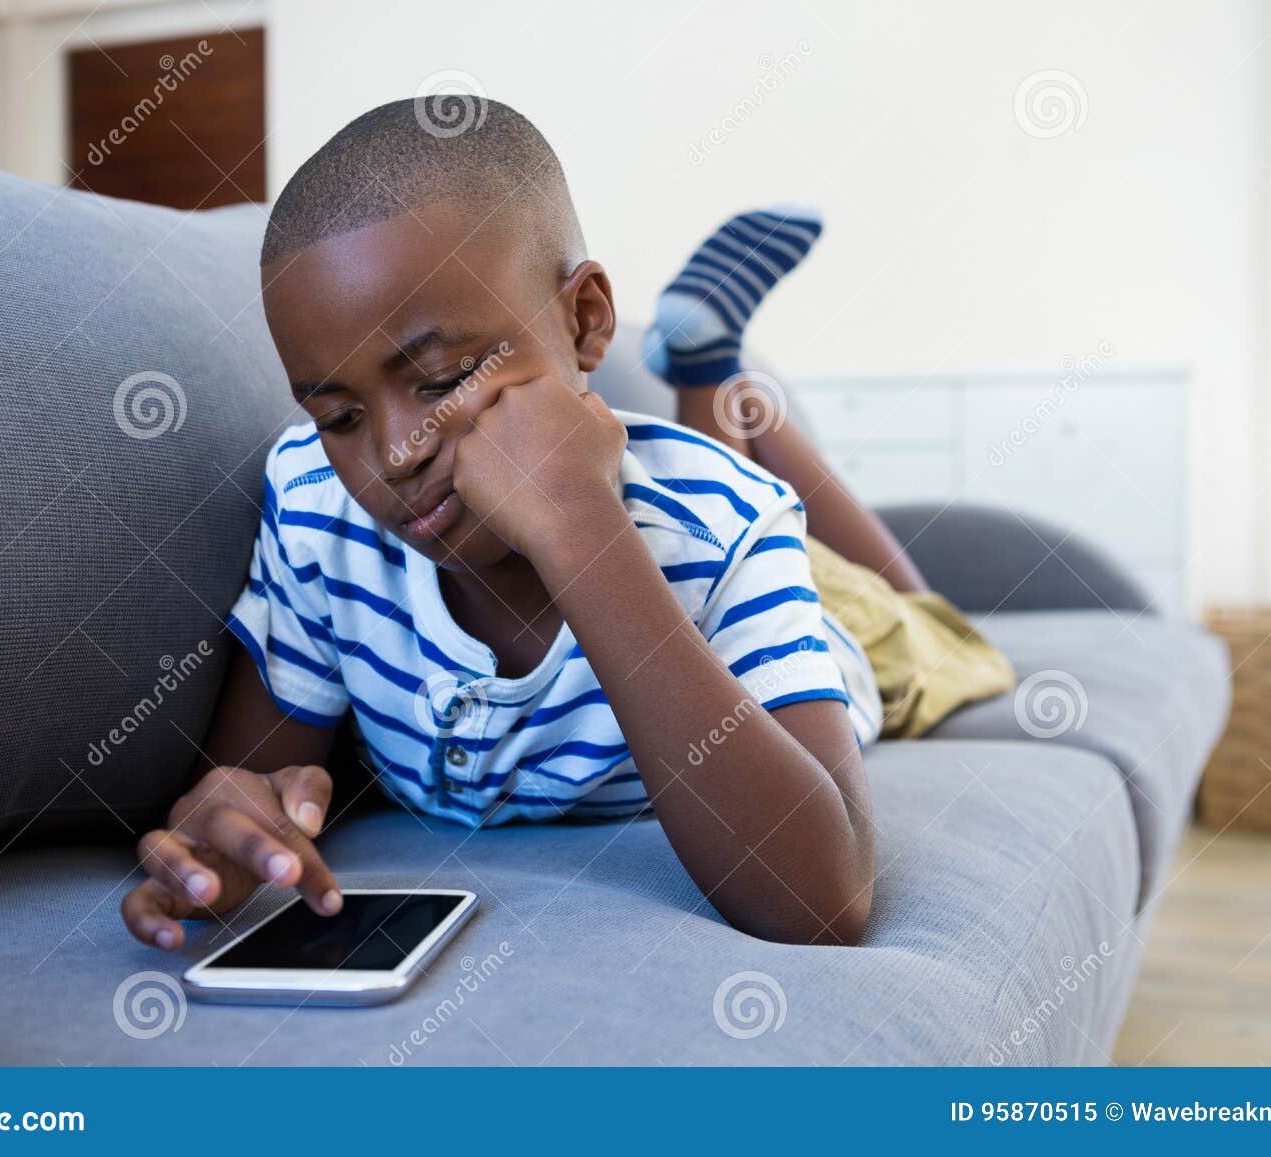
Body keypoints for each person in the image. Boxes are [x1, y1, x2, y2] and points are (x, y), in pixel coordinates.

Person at [120, 98, 1007, 951]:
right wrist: (229, 831)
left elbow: (822, 902)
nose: (394, 453)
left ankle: (722, 381)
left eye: (441, 380)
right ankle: (706, 370)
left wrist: (580, 530)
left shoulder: (729, 527)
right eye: (340, 417)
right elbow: (257, 781)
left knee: (917, 614)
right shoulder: (319, 512)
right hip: (669, 511)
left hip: (828, 638)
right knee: (684, 495)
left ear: (584, 320)